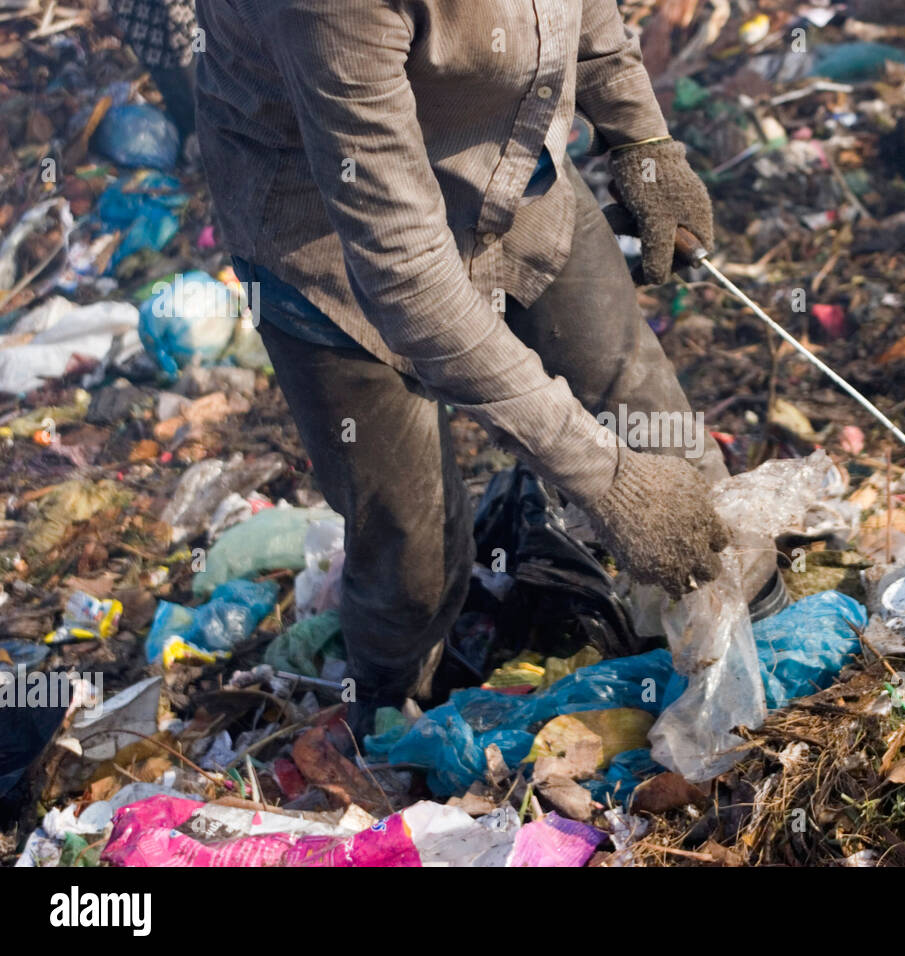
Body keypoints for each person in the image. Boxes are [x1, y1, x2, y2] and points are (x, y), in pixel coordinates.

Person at [193, 0, 760, 734]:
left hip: (514, 167)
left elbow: (582, 15)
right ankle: (385, 722)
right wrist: (603, 479)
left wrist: (642, 142)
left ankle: (750, 658)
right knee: (412, 564)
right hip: (328, 240)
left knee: (654, 420)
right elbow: (407, 280)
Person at [109, 0, 198, 142]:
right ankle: (195, 144)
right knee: (191, 105)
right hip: (169, 47)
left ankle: (194, 142)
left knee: (190, 104)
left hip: (163, 48)